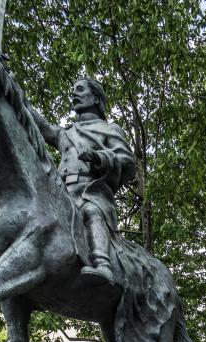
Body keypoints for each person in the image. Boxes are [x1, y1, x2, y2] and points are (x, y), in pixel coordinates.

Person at [28, 75, 136, 285]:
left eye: (80, 90)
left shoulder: (110, 129)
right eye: (73, 91)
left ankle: (103, 265)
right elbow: (41, 126)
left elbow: (127, 162)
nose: (74, 94)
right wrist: (14, 90)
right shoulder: (66, 133)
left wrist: (100, 157)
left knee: (91, 211)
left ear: (95, 98)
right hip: (60, 193)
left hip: (90, 192)